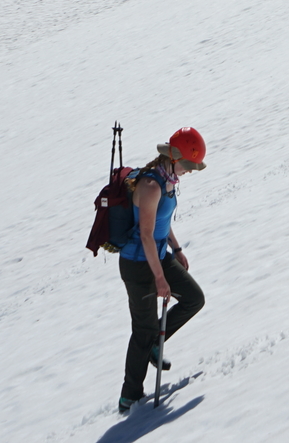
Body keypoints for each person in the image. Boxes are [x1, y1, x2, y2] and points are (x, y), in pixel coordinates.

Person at [117, 129, 208, 414]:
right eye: (188, 165)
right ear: (173, 157)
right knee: (142, 331)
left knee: (194, 298)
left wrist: (177, 249)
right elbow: (145, 234)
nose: (189, 172)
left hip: (158, 255)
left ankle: (156, 342)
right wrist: (159, 278)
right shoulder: (151, 185)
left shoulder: (168, 182)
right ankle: (129, 397)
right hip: (137, 264)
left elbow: (161, 222)